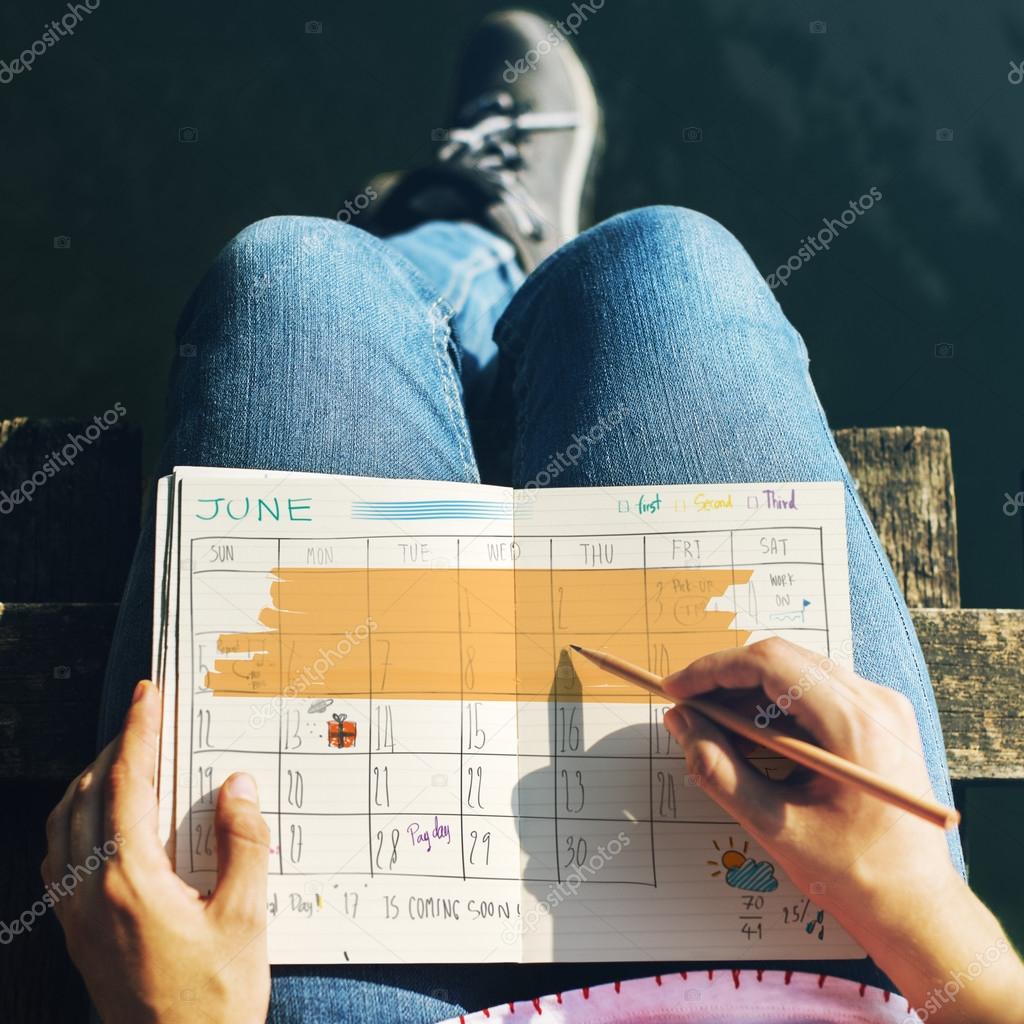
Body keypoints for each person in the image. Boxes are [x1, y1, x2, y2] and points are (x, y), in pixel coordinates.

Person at [42, 10, 1024, 1023]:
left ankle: (456, 250)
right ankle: (484, 260)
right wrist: (931, 912)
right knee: (660, 262)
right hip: (828, 976)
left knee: (293, 277)